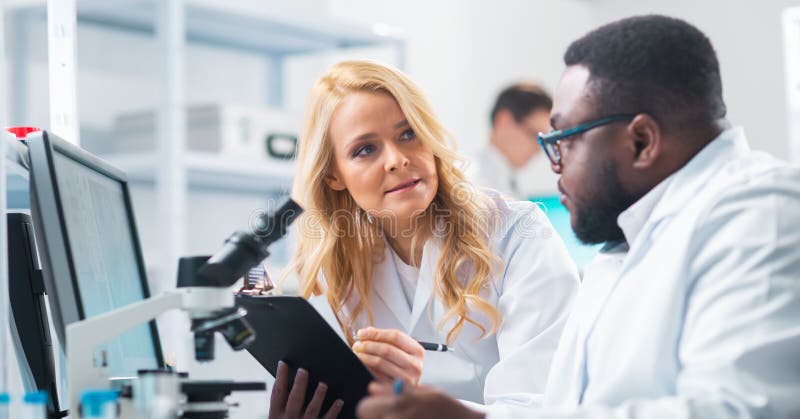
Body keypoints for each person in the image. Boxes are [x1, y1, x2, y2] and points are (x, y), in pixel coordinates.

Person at [356, 14, 800, 419]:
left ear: (641, 141)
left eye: (565, 138)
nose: (553, 162)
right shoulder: (623, 243)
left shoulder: (762, 211)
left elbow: (737, 411)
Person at [268, 60, 580, 418]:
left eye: (408, 133)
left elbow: (542, 407)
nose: (397, 160)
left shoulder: (519, 235)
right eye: (365, 150)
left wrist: (414, 405)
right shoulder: (340, 261)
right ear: (333, 176)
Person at [471, 83, 555, 199]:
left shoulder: (508, 183)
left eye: (542, 140)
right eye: (534, 135)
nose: (538, 149)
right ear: (504, 120)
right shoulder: (469, 181)